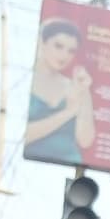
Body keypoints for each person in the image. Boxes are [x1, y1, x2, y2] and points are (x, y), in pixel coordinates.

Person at [25, 18, 95, 164]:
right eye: (58, 46)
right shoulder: (26, 79)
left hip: (69, 163)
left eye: (71, 51)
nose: (64, 55)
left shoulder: (74, 86)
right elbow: (22, 135)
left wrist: (85, 92)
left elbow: (85, 140)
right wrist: (68, 112)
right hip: (27, 164)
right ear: (43, 43)